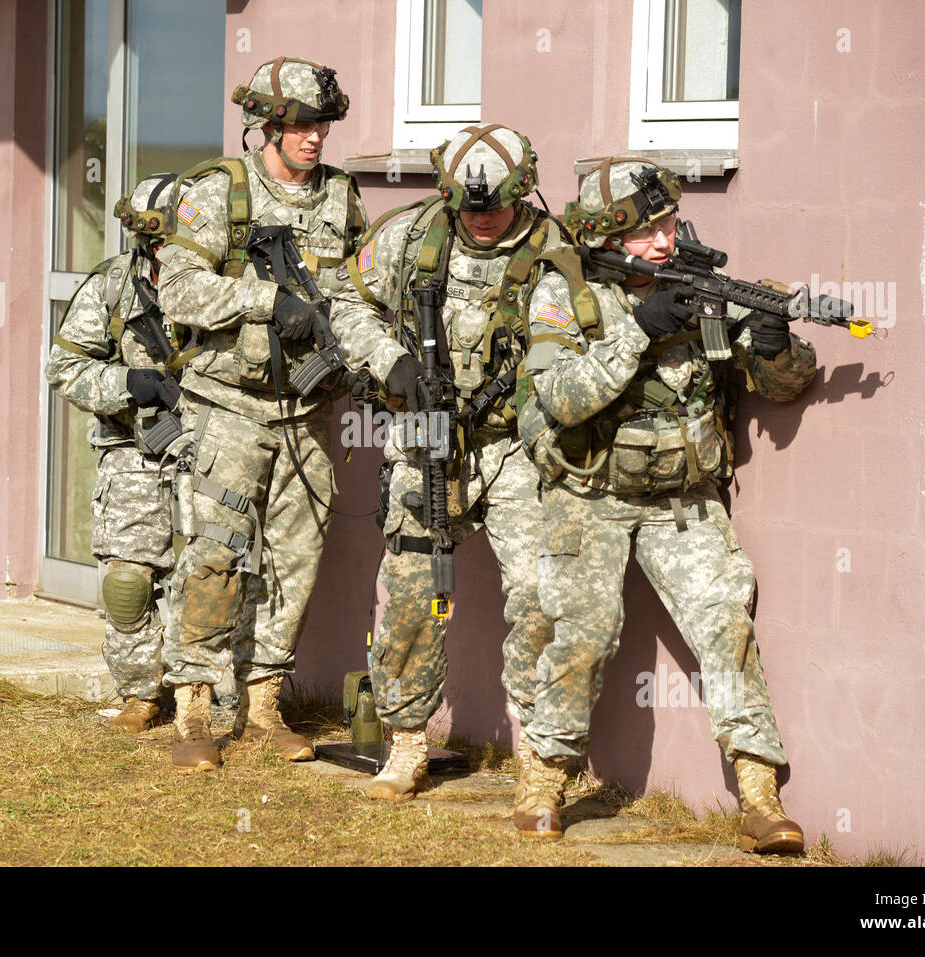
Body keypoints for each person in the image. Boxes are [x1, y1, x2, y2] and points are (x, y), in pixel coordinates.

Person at [515, 156, 814, 849]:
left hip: (682, 496)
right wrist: (640, 327)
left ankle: (760, 795)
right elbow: (559, 398)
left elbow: (780, 383)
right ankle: (544, 782)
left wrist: (774, 345)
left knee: (726, 624)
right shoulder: (566, 293)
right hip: (590, 492)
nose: (663, 240)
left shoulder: (700, 281)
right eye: (645, 230)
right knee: (584, 638)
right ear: (605, 236)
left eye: (668, 222)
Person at [325, 124, 566, 823]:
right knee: (409, 589)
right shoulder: (412, 236)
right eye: (468, 206)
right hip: (426, 438)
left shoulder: (555, 252)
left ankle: (537, 761)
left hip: (515, 445)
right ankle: (406, 741)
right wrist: (390, 363)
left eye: (494, 207)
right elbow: (345, 299)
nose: (481, 219)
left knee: (541, 595)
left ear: (522, 192)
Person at [154, 57, 367, 771]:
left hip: (306, 410)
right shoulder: (219, 191)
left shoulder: (340, 196)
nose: (315, 138)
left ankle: (263, 702)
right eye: (303, 125)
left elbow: (357, 291)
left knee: (295, 560)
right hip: (229, 406)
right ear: (268, 124)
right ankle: (193, 708)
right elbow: (178, 294)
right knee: (214, 553)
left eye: (323, 126)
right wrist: (264, 301)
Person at [45, 173, 189, 733]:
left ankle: (214, 694)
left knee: (218, 576)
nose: (162, 253)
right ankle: (140, 691)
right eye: (154, 240)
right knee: (128, 583)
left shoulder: (229, 284)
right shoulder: (113, 287)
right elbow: (65, 368)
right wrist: (129, 383)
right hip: (136, 448)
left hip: (215, 448)